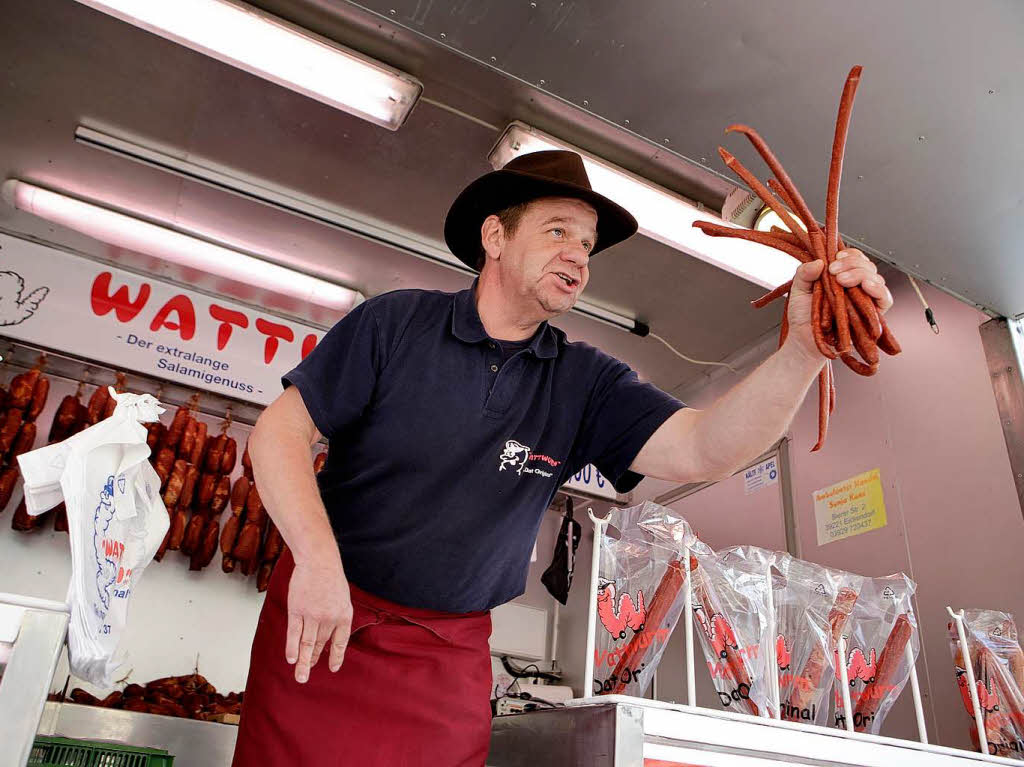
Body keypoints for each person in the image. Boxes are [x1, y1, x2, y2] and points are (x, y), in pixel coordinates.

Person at [231, 150, 892, 765]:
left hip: (444, 663)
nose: (578, 254)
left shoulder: (585, 382)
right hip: (323, 629)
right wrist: (317, 563)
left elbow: (703, 447)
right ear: (495, 237)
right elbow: (278, 435)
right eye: (557, 231)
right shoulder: (395, 323)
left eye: (587, 242)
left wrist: (805, 348)